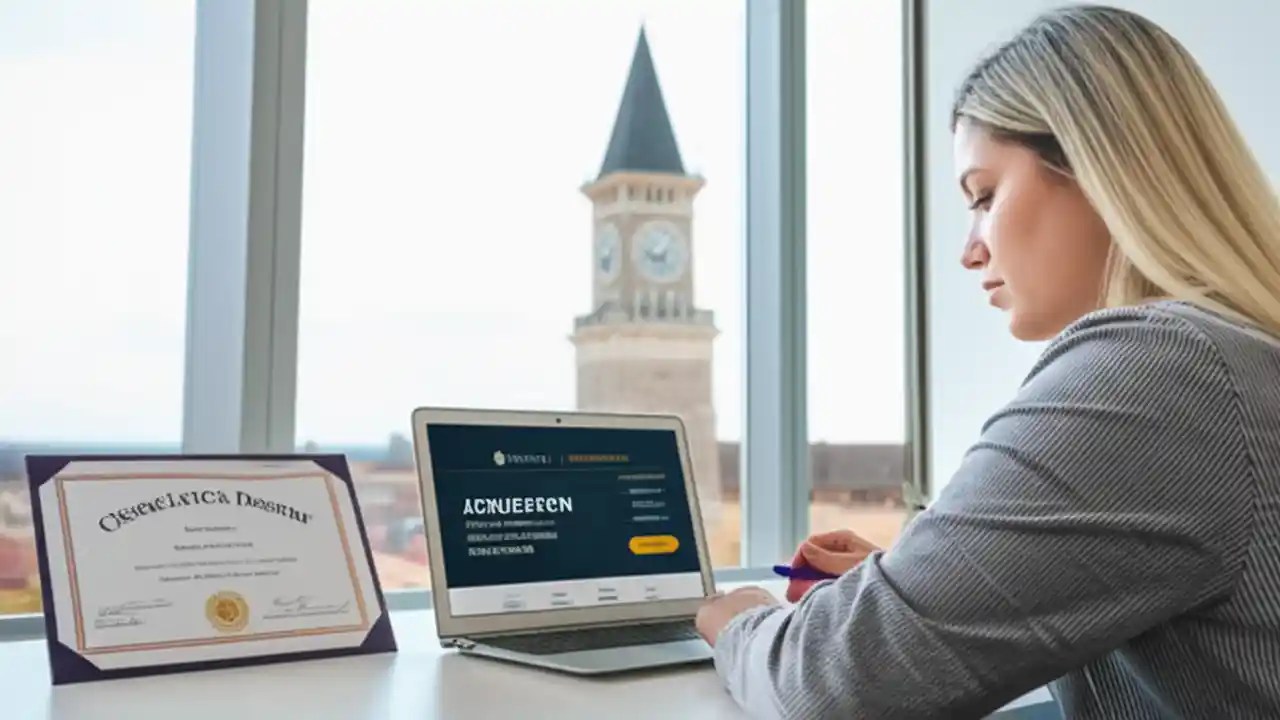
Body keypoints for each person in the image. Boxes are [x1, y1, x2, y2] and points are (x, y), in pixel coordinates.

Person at [695, 5, 1280, 718]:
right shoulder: (1237, 357)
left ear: (1098, 167)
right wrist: (927, 583)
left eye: (985, 196)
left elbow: (829, 687)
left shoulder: (1160, 367)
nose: (970, 249)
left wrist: (744, 621)